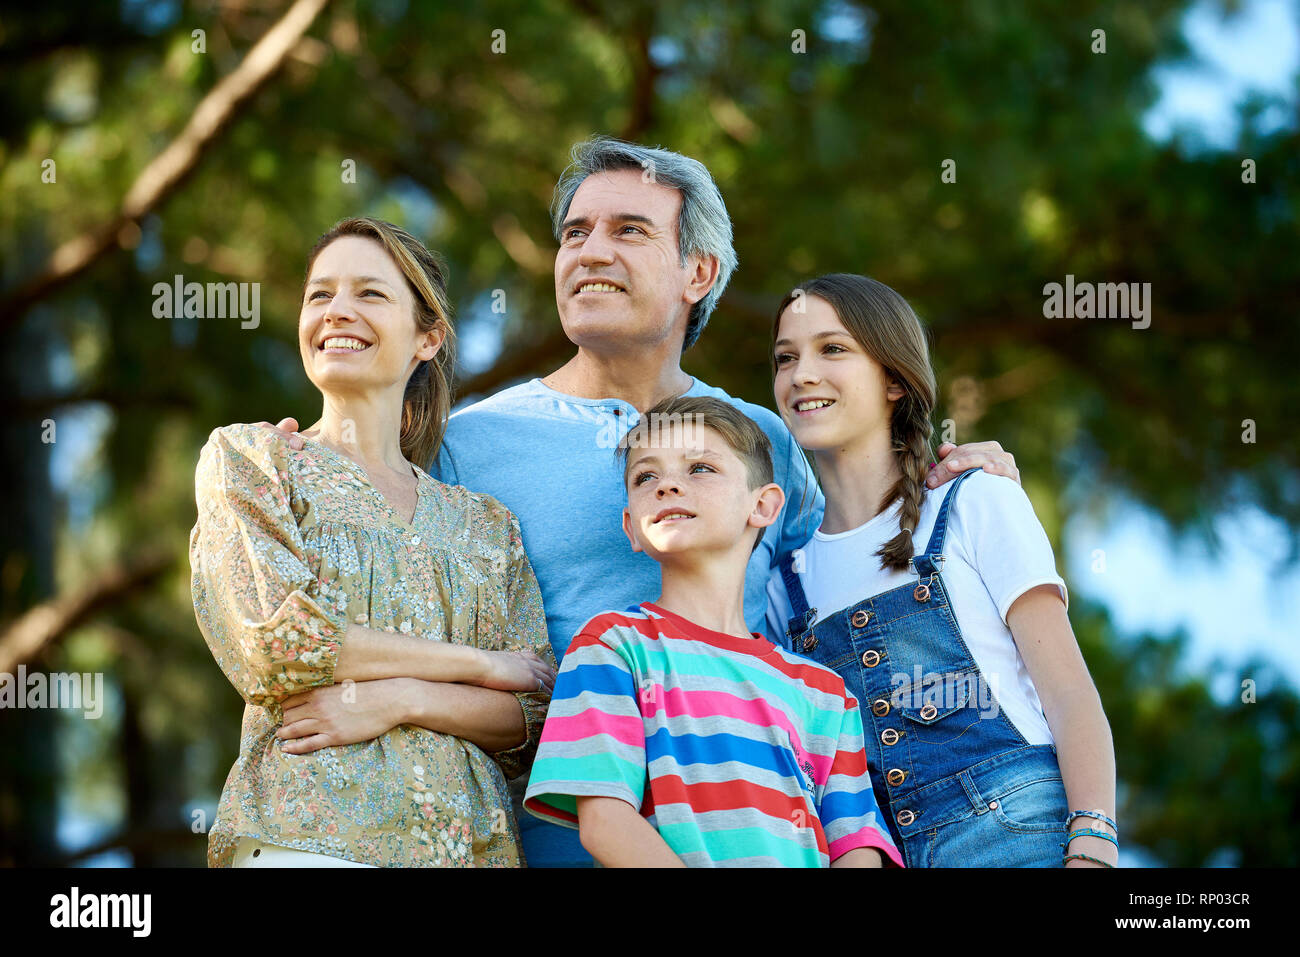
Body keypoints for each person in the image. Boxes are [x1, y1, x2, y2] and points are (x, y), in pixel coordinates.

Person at [265, 137, 1019, 866]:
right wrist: (303, 456)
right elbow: (358, 573)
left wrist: (943, 468)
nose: (591, 252)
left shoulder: (762, 440)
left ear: (698, 271)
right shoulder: (468, 443)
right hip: (538, 843)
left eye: (629, 230)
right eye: (575, 233)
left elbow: (853, 567)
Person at [189, 217, 556, 868]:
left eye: (370, 293)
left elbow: (533, 713)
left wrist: (400, 698)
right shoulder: (252, 461)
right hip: (304, 842)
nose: (337, 311)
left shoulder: (486, 525)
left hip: (470, 849)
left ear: (427, 336)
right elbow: (279, 643)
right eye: (319, 294)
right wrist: (478, 666)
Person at [765, 274, 1117, 867]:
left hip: (1019, 839)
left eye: (833, 349)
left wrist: (1093, 845)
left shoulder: (976, 502)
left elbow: (1069, 694)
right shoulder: (784, 581)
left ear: (895, 380)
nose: (802, 375)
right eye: (785, 357)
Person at [524, 396, 903, 867]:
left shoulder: (825, 693)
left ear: (763, 505)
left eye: (700, 468)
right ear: (632, 529)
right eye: (646, 476)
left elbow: (855, 844)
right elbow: (606, 820)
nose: (667, 487)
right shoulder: (612, 648)